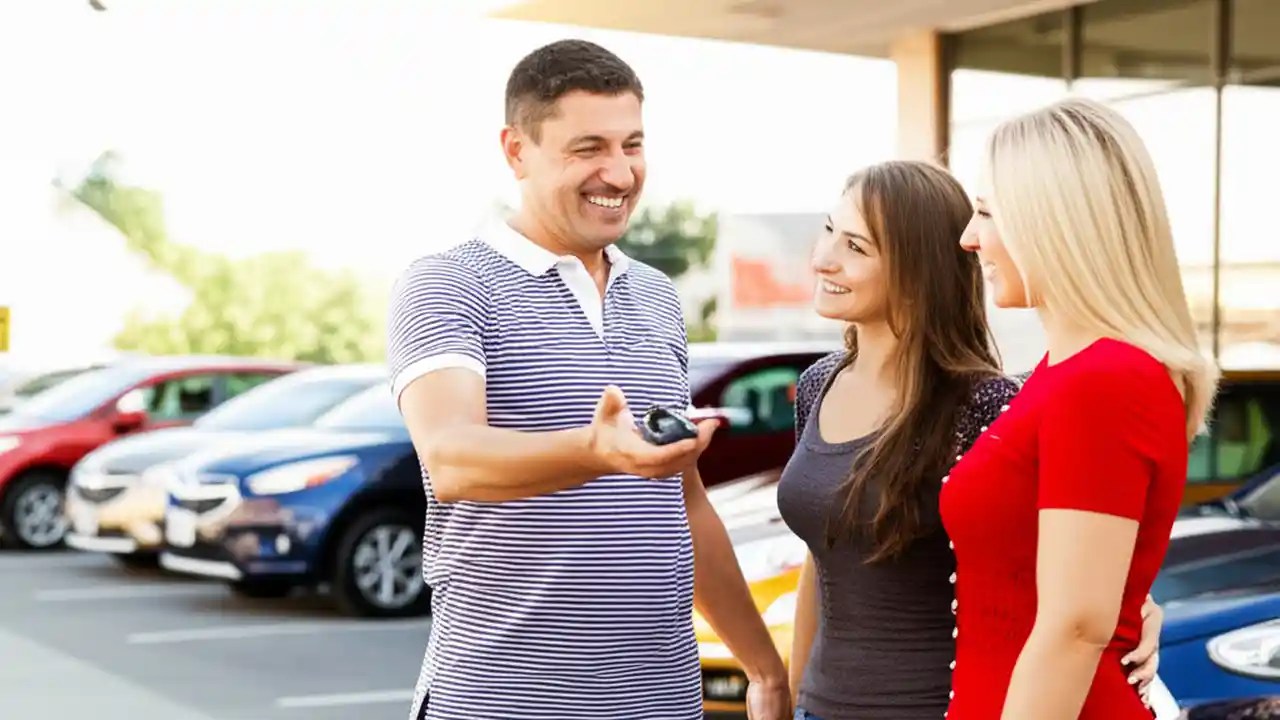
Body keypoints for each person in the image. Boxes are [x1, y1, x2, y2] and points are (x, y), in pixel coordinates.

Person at [387, 39, 789, 720]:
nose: (621, 172)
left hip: (661, 701)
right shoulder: (449, 283)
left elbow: (683, 504)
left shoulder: (656, 295)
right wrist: (594, 452)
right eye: (589, 148)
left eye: (633, 144)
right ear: (516, 150)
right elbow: (452, 459)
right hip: (504, 699)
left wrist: (765, 669)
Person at [777, 160, 1165, 720]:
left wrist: (1141, 606)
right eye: (829, 229)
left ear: (918, 272)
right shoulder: (819, 384)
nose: (823, 258)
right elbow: (826, 546)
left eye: (856, 247)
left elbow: (1069, 555)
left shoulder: (983, 406)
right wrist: (793, 697)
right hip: (822, 707)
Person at [941, 97, 1218, 719]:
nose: (969, 238)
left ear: (1052, 222)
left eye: (985, 212)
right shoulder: (1065, 373)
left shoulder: (1104, 379)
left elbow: (1075, 626)